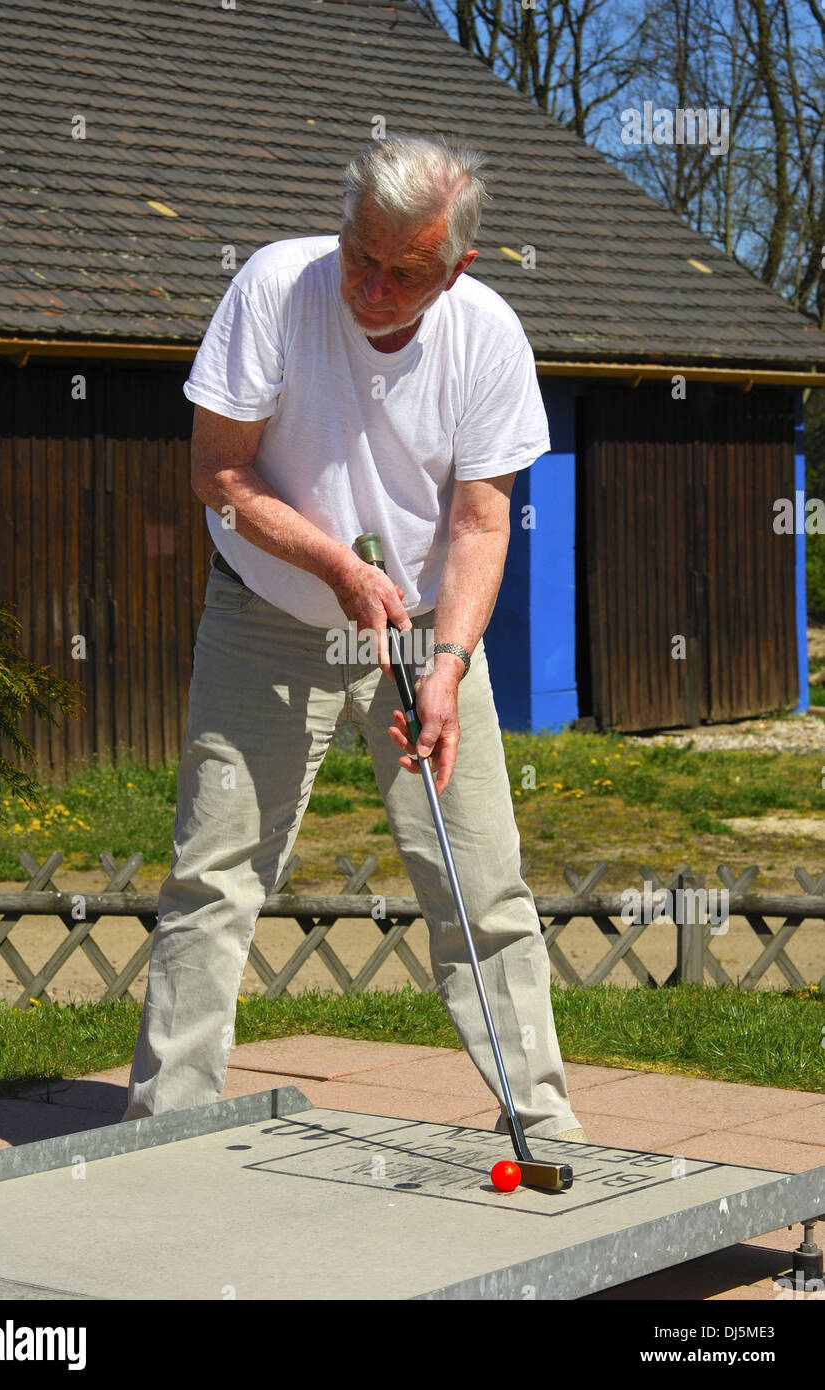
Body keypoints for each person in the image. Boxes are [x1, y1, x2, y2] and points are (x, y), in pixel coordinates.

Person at [122, 133, 586, 1144]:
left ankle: (542, 1128)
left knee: (480, 880)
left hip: (422, 631)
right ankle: (160, 1130)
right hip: (267, 612)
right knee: (214, 872)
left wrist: (448, 659)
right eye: (358, 255)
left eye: (401, 273)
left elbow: (478, 522)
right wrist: (337, 566)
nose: (369, 288)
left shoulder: (488, 339)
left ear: (454, 267)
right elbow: (219, 476)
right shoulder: (274, 289)